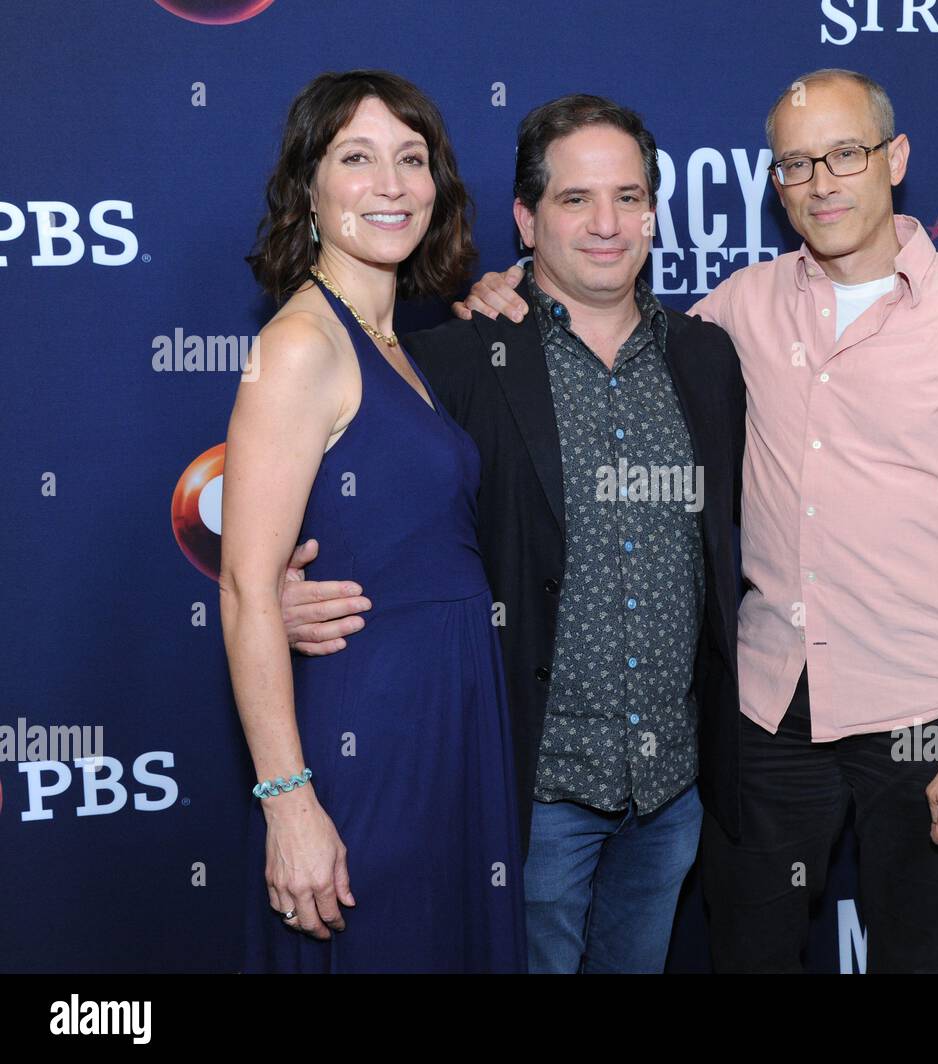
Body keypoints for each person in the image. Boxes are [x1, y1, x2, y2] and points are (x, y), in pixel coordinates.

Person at [453, 68, 938, 973]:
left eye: (845, 154)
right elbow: (595, 312)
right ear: (774, 184)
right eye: (794, 165)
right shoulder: (734, 313)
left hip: (929, 718)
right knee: (746, 953)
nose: (821, 182)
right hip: (766, 716)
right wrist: (500, 290)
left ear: (894, 159)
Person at [278, 94, 746, 974]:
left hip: (673, 789)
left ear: (654, 210)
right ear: (527, 219)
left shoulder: (708, 357)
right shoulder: (454, 358)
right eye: (575, 200)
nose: (606, 224)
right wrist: (275, 597)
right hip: (525, 790)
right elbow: (377, 516)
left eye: (629, 197)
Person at [220, 69, 525, 973]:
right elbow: (245, 590)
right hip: (371, 733)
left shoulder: (400, 344)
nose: (392, 184)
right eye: (358, 158)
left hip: (449, 722)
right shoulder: (301, 344)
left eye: (412, 158)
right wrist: (289, 802)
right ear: (308, 187)